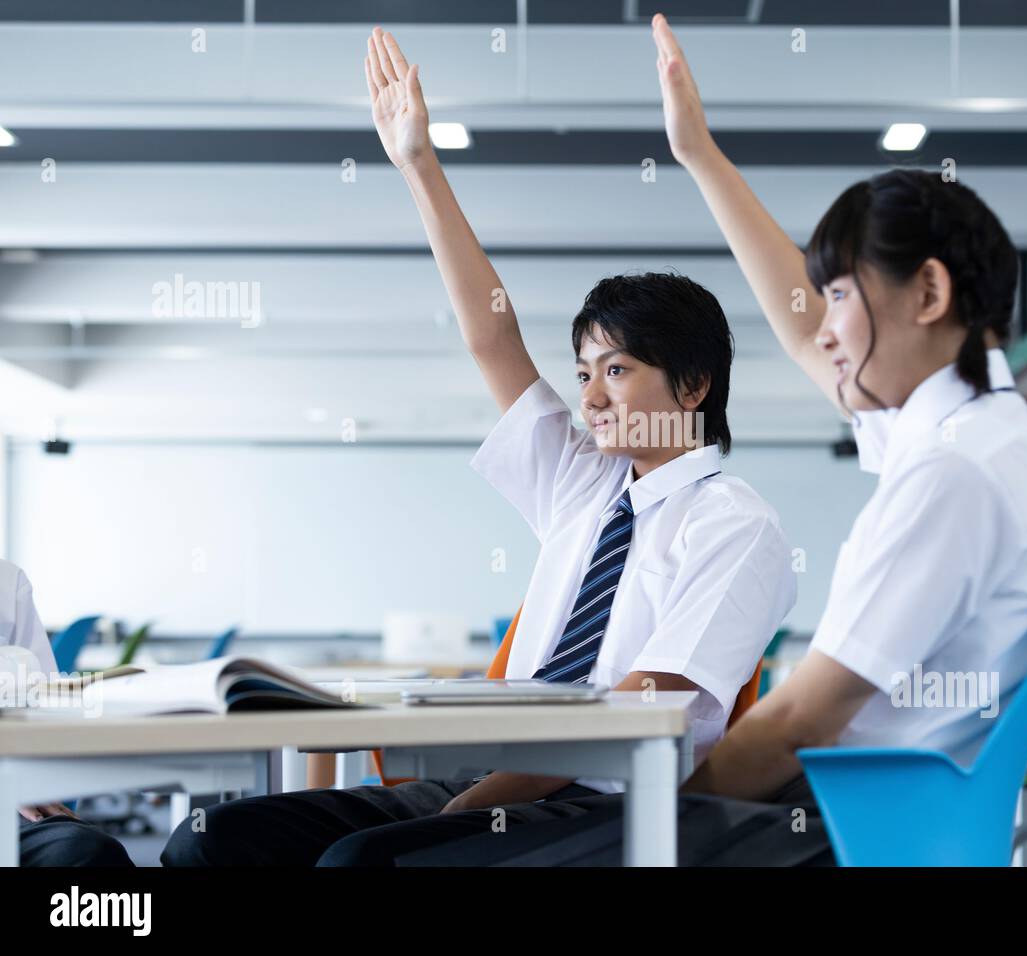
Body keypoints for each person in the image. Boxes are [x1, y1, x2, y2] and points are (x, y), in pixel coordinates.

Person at [364, 12, 1027, 867]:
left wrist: (645, 823)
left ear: (928, 293)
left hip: (837, 818)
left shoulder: (949, 474)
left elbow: (796, 722)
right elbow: (800, 322)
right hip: (838, 801)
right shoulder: (986, 434)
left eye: (845, 296)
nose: (828, 332)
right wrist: (697, 151)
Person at [161, 26, 796, 867]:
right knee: (212, 843)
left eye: (617, 369)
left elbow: (644, 714)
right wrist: (418, 165)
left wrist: (476, 796)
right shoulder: (583, 486)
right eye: (583, 373)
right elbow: (491, 340)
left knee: (359, 862)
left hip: (599, 810)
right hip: (485, 780)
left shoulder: (735, 527)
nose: (592, 396)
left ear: (694, 385)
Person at [1, 559, 132, 866]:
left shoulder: (7, 581)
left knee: (89, 851)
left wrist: (21, 779)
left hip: (12, 799)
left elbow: (43, 704)